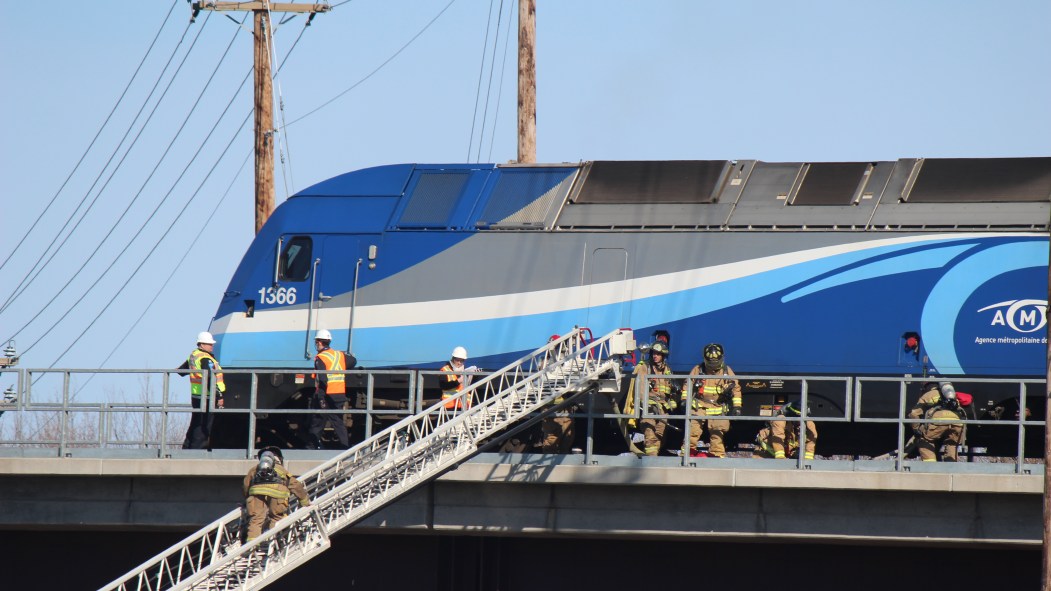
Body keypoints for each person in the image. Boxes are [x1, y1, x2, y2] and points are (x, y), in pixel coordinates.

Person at [685, 343, 741, 458]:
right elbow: (687, 385)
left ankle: (716, 457)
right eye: (710, 363)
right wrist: (684, 400)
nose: (713, 366)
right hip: (700, 406)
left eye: (716, 363)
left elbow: (736, 389)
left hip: (718, 407)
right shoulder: (698, 370)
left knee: (718, 434)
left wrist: (737, 406)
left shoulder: (727, 371)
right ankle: (686, 454)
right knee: (692, 431)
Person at [243, 446, 311, 541]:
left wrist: (247, 500)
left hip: (256, 494)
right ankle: (273, 542)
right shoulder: (281, 469)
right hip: (278, 496)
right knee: (276, 517)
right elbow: (295, 485)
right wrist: (305, 502)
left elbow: (246, 485)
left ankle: (252, 546)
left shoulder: (254, 469)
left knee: (256, 520)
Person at [625, 341, 677, 456]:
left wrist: (672, 400)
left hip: (663, 407)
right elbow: (641, 388)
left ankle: (654, 456)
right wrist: (645, 404)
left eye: (658, 354)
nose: (655, 356)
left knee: (660, 434)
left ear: (663, 355)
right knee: (649, 432)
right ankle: (651, 459)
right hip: (649, 406)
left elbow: (671, 388)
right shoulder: (645, 367)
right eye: (653, 353)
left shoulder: (667, 369)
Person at [307, 329, 356, 449]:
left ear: (319, 342)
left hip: (327, 394)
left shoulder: (321, 357)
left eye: (316, 342)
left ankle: (311, 447)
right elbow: (353, 361)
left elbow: (323, 378)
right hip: (339, 393)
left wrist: (321, 397)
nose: (316, 345)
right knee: (337, 421)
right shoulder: (339, 355)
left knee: (318, 421)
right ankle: (346, 446)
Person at [178, 331, 226, 449]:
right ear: (202, 344)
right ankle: (197, 450)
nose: (212, 346)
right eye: (209, 344)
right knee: (203, 426)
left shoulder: (194, 355)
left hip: (196, 396)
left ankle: (187, 448)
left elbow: (181, 371)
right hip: (207, 396)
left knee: (196, 423)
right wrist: (218, 396)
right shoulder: (205, 359)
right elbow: (209, 378)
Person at [908, 381, 968, 462]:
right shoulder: (953, 395)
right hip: (957, 423)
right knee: (952, 444)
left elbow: (914, 413)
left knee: (924, 440)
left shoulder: (929, 394)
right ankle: (951, 466)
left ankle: (930, 466)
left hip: (938, 422)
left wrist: (916, 428)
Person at [540, 334, 575, 453]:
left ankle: (560, 457)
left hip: (563, 406)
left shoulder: (565, 361)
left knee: (567, 436)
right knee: (552, 438)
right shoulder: (546, 362)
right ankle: (549, 459)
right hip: (551, 407)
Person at [753, 401, 817, 460]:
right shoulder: (780, 420)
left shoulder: (808, 422)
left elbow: (812, 438)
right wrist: (780, 458)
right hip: (765, 452)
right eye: (798, 417)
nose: (800, 421)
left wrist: (808, 459)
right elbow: (778, 437)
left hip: (786, 450)